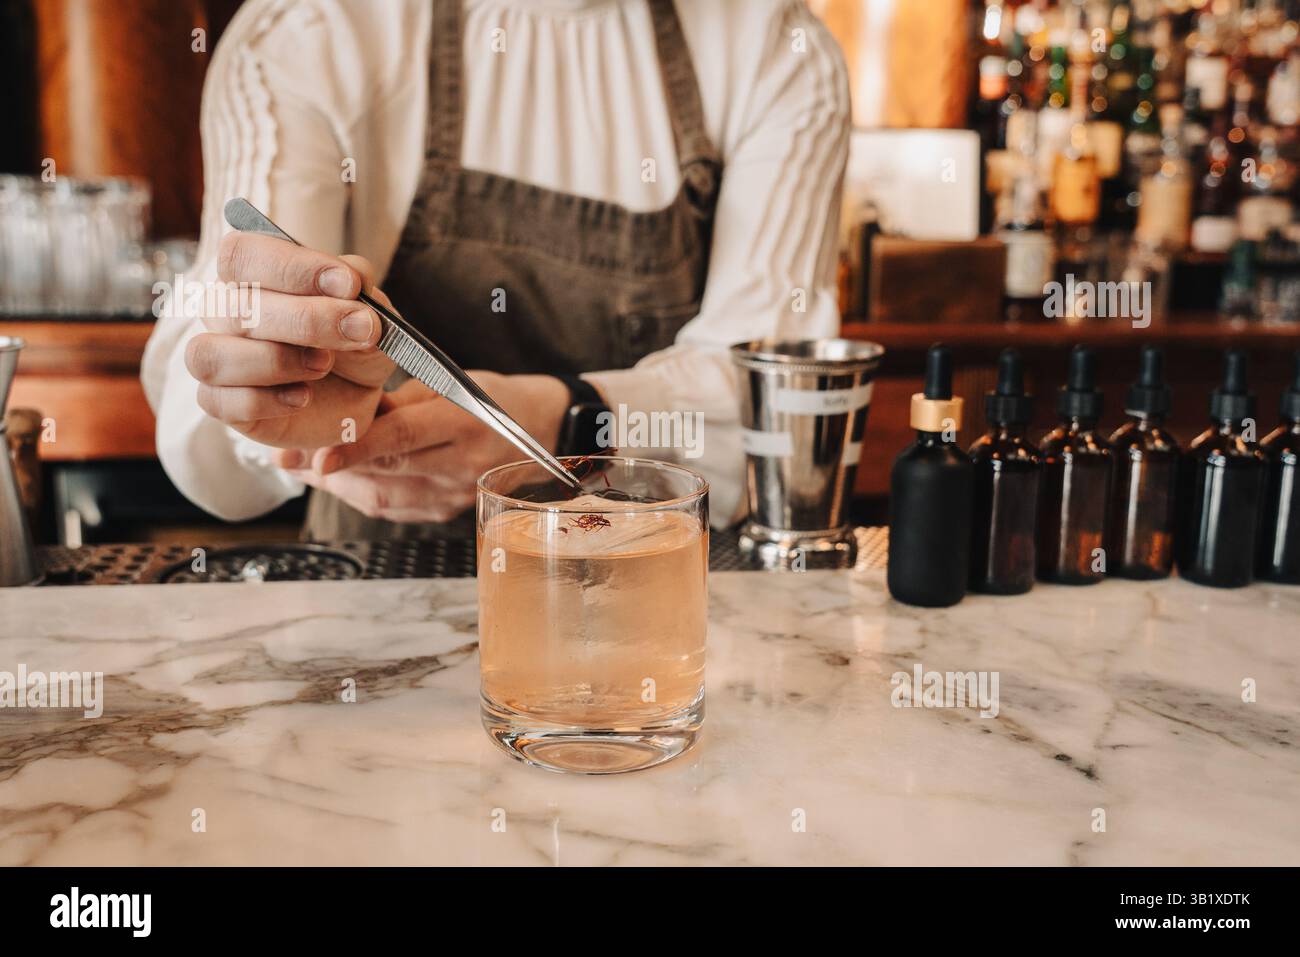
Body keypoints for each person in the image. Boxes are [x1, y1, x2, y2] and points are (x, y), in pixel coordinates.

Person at [142, 0, 850, 538]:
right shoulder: (309, 32)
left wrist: (574, 421)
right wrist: (282, 396)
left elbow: (776, 407)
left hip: (649, 585)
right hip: (373, 600)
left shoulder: (775, 46)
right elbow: (200, 415)